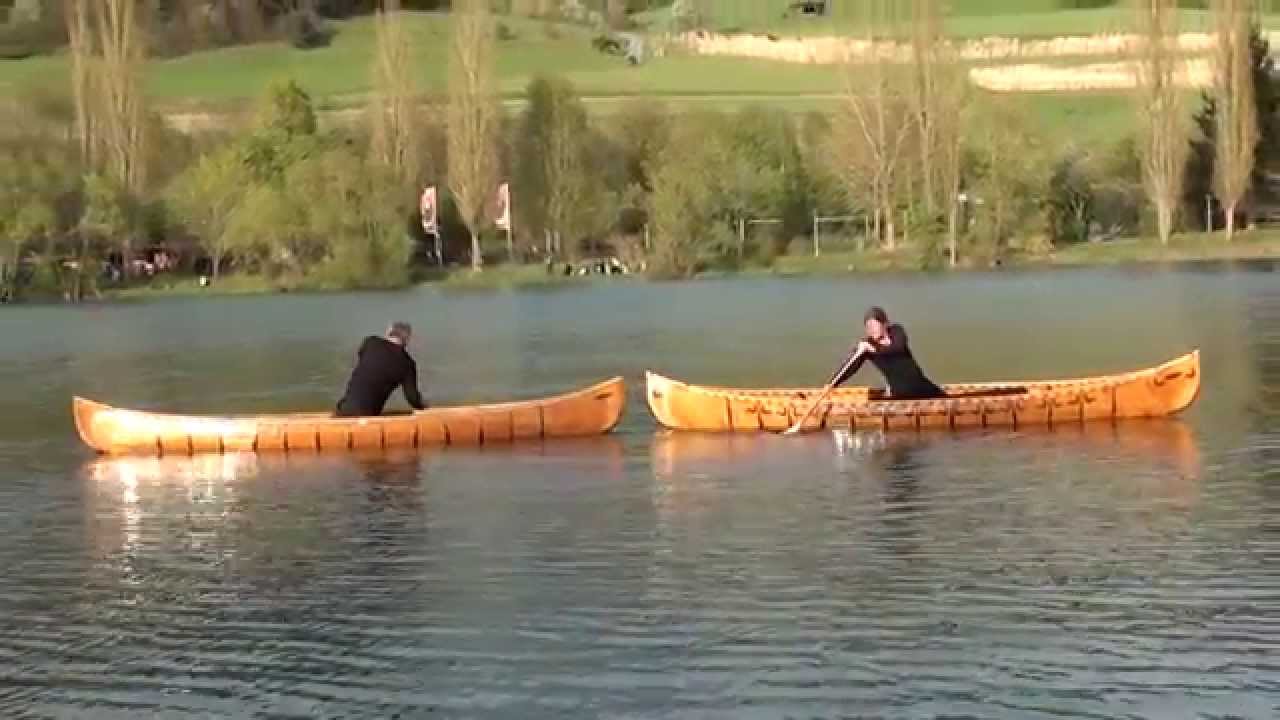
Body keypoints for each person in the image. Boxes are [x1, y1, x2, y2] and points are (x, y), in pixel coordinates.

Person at [829, 306, 944, 400]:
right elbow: (850, 367)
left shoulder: (896, 331)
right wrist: (832, 383)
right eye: (868, 327)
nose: (871, 330)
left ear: (885, 324)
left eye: (874, 325)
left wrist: (874, 349)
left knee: (943, 396)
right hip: (901, 393)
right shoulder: (866, 346)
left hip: (921, 386)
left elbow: (898, 348)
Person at [334, 322, 427, 417]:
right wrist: (424, 406)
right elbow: (412, 398)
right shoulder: (408, 364)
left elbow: (361, 356)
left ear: (389, 332)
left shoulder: (370, 342)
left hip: (343, 410)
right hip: (369, 415)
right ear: (407, 339)